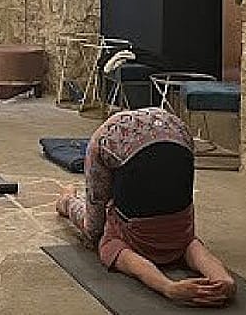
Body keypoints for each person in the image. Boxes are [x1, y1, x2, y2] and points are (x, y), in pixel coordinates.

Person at [56, 107, 236, 307]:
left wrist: (168, 287)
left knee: (102, 240)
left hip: (161, 152)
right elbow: (175, 184)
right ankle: (225, 280)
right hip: (177, 142)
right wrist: (221, 279)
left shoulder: (101, 139)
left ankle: (66, 200)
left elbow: (95, 214)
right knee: (187, 242)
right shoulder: (183, 242)